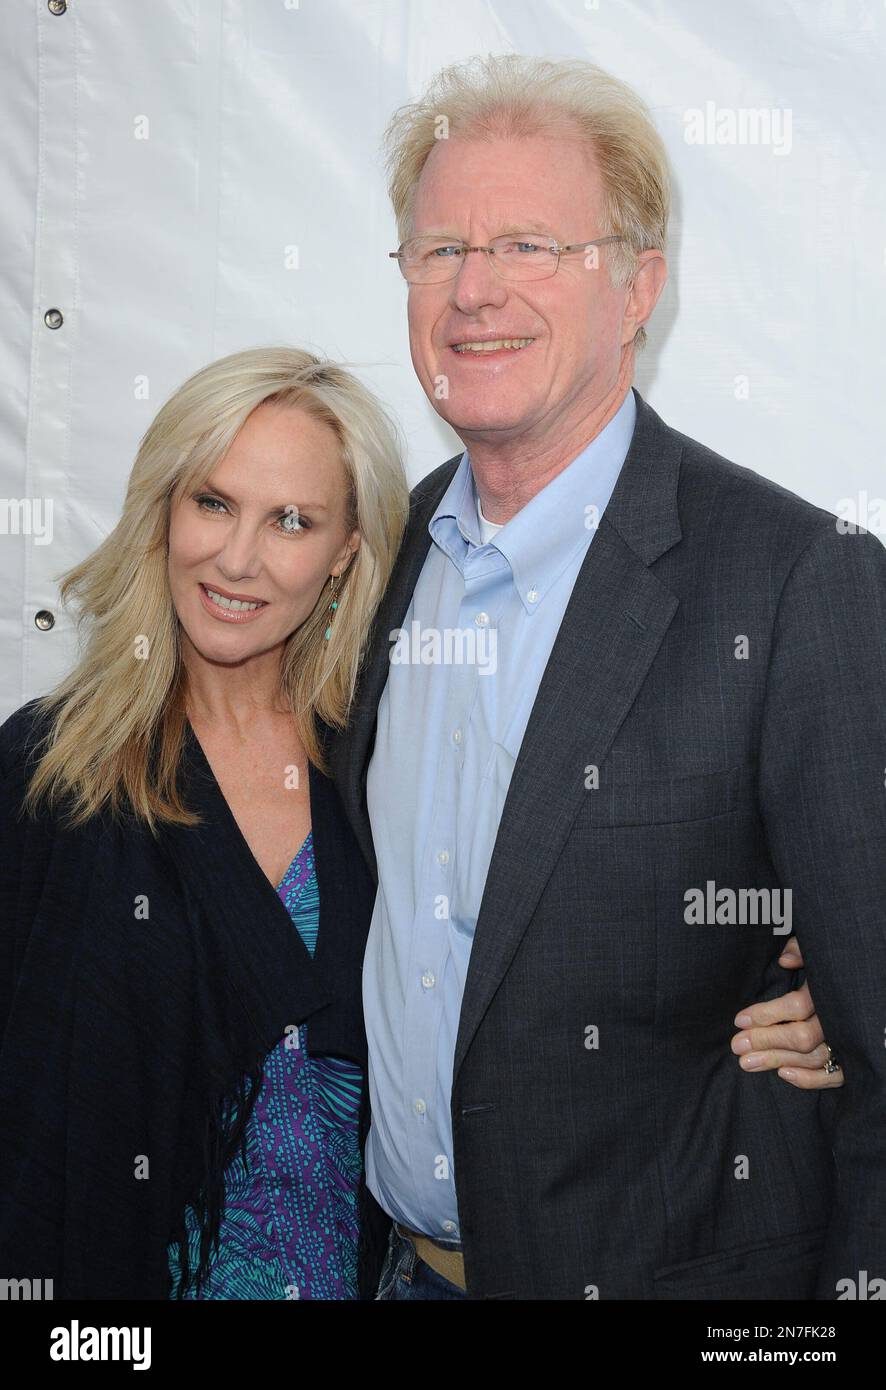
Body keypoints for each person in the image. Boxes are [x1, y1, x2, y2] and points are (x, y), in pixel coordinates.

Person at [328, 54, 885, 1300]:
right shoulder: (380, 556)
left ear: (638, 287)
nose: (474, 291)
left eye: (531, 246)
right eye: (438, 252)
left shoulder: (797, 582)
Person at [0, 347, 409, 1298]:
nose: (237, 558)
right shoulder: (53, 771)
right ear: (163, 510)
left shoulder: (384, 771)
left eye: (292, 522)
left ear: (347, 551)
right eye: (213, 503)